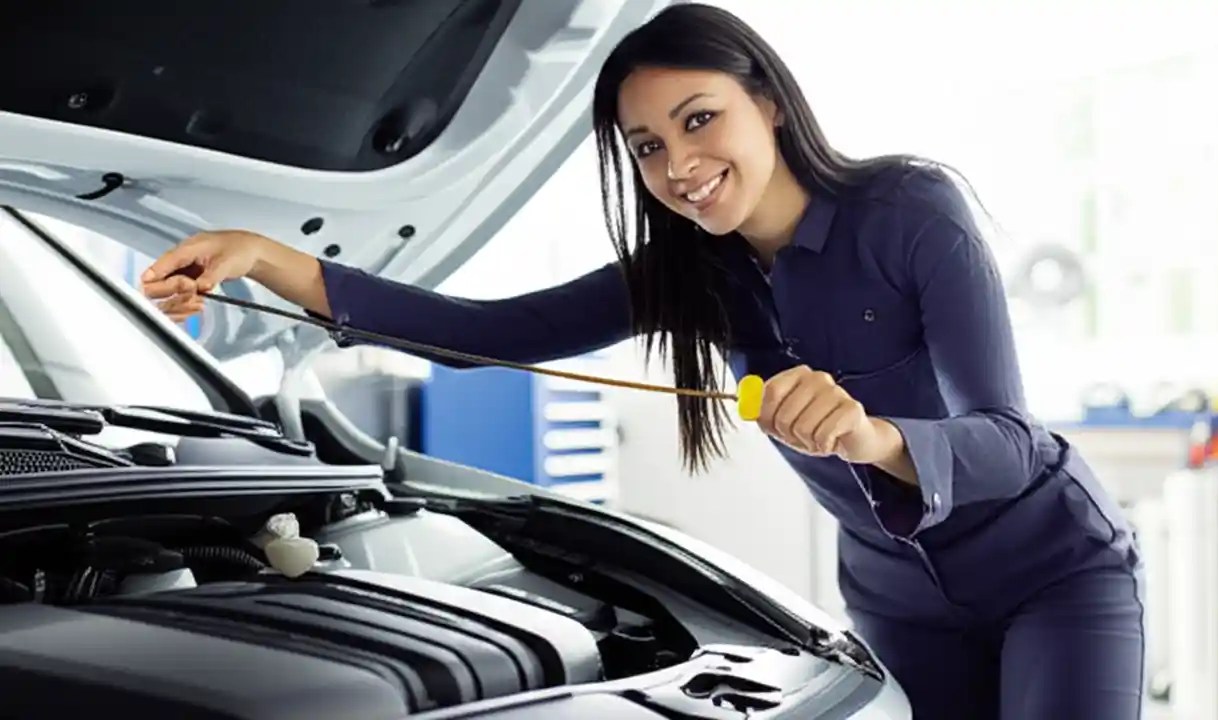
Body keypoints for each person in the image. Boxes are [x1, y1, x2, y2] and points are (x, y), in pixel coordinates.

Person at [140, 4, 1144, 718]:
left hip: (1048, 571)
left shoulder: (911, 211)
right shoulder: (686, 275)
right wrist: (268, 260)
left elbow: (1010, 444)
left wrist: (875, 436)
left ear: (770, 106)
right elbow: (487, 335)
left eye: (697, 119)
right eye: (646, 148)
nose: (677, 165)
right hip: (896, 598)